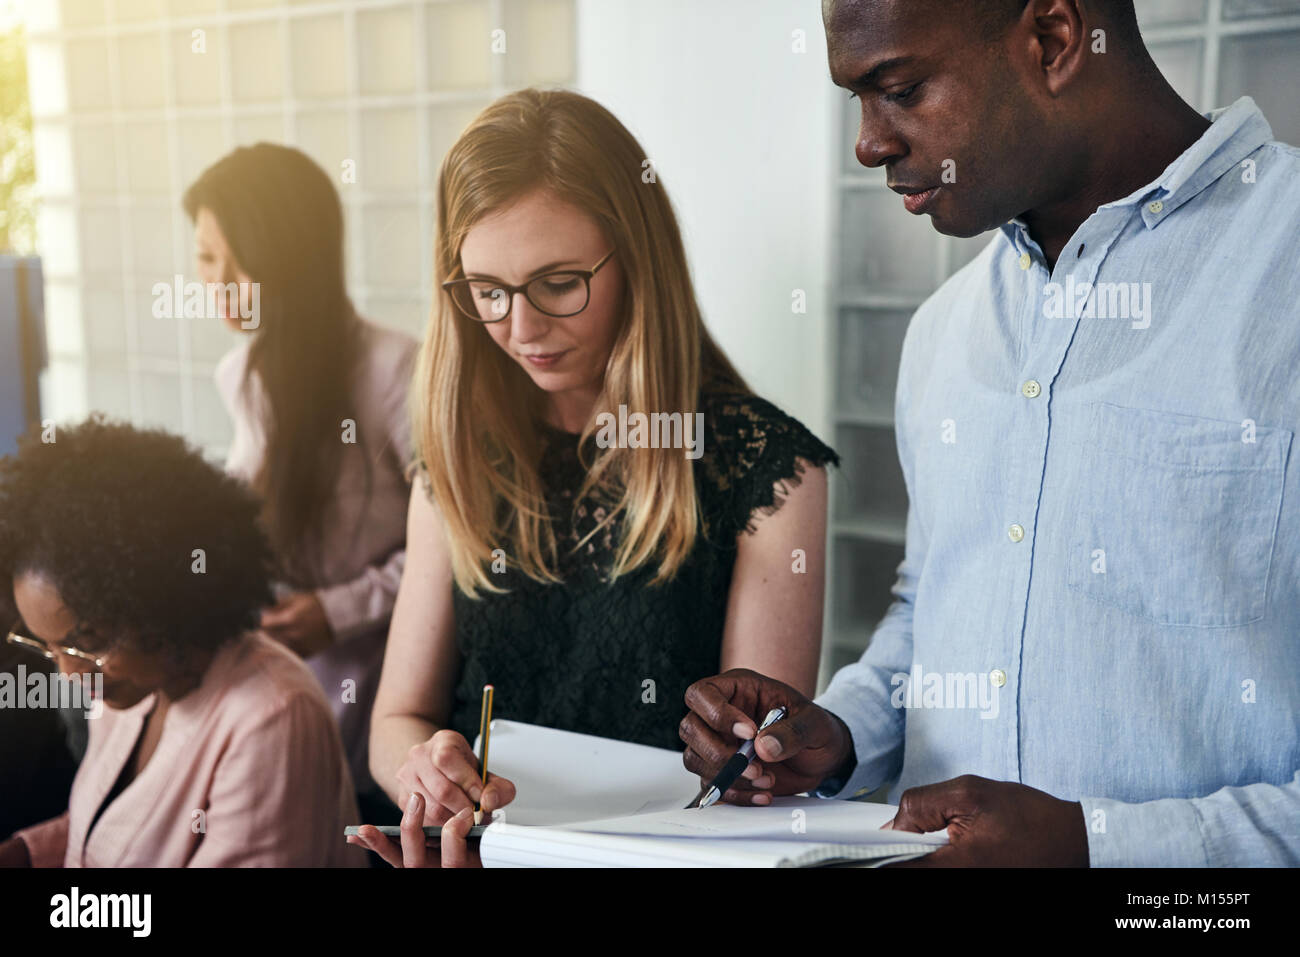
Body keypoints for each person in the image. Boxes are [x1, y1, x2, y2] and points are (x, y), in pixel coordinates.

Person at [680, 0, 1300, 867]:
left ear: (1051, 40)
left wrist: (1097, 850)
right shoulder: (946, 329)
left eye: (898, 88)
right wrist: (840, 734)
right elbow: (927, 610)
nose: (867, 144)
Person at [354, 89, 839, 867]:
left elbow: (756, 780)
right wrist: (424, 769)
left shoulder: (766, 470)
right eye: (487, 290)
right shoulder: (458, 451)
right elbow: (394, 723)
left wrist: (749, 759)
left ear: (637, 259)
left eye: (557, 283)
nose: (520, 328)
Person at [0, 417, 364, 867]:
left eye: (86, 641)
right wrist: (25, 853)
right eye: (47, 647)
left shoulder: (271, 718)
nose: (69, 674)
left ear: (159, 597)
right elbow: (109, 831)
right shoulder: (130, 688)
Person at [185, 144, 418, 816]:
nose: (220, 281)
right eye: (205, 258)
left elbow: (462, 552)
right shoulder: (240, 376)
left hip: (384, 695)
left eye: (242, 258)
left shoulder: (396, 371)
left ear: (295, 255)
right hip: (276, 689)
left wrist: (340, 610)